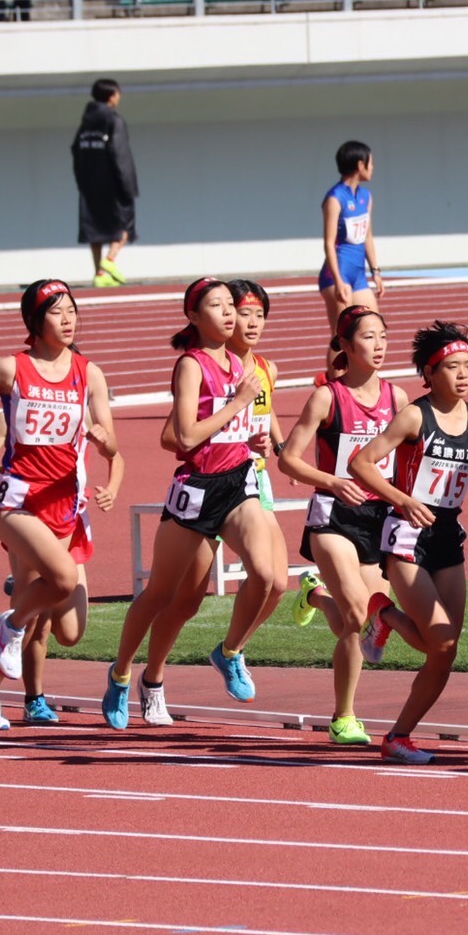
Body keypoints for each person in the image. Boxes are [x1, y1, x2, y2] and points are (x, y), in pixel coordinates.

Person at [101, 277, 277, 728]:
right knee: (171, 598)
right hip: (196, 490)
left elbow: (237, 426)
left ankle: (230, 651)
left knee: (268, 574)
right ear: (194, 317)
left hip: (239, 482)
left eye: (230, 306)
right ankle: (127, 676)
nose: (229, 313)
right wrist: (236, 405)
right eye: (216, 306)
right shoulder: (191, 366)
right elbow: (183, 437)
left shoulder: (248, 366)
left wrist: (254, 437)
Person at [0, 279, 118, 728]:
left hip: (67, 508)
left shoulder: (89, 372)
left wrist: (103, 440)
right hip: (18, 503)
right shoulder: (11, 369)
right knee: (53, 584)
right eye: (57, 312)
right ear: (35, 323)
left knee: (70, 631)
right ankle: (14, 641)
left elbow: (112, 440)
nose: (69, 319)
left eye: (73, 310)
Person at [348, 322, 468, 764]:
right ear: (429, 372)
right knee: (438, 641)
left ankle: (398, 734)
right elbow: (360, 462)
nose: (463, 375)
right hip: (405, 535)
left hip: (447, 538)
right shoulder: (414, 417)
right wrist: (403, 499)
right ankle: (382, 616)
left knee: (446, 648)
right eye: (452, 367)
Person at [280, 304, 408, 746]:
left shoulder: (398, 398)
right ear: (346, 345)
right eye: (369, 337)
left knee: (368, 621)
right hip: (333, 514)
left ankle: (314, 593)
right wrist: (333, 481)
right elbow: (289, 459)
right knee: (358, 612)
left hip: (379, 517)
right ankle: (343, 718)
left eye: (384, 337)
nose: (379, 346)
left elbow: (411, 458)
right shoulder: (327, 397)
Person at [0, 407, 124, 727]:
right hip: (31, 518)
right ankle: (18, 696)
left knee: (70, 632)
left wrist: (112, 488)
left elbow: (115, 456)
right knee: (38, 622)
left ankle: (29, 592)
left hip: (73, 522)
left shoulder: (80, 413)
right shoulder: (11, 415)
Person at [319, 141, 383, 379]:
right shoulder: (335, 198)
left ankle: (367, 387)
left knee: (372, 327)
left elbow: (367, 236)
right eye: (370, 162)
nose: (373, 167)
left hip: (358, 275)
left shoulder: (366, 197)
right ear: (359, 164)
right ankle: (335, 396)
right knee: (341, 337)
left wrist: (375, 271)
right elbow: (328, 243)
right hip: (337, 274)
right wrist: (338, 281)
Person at [71, 78, 139, 289]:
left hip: (90, 186)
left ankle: (99, 273)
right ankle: (109, 262)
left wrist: (82, 180)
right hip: (113, 185)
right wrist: (128, 186)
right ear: (111, 96)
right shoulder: (114, 120)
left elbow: (75, 150)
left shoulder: (85, 123)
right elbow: (120, 155)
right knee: (124, 227)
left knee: (95, 230)